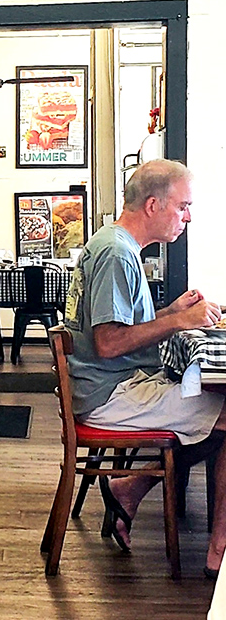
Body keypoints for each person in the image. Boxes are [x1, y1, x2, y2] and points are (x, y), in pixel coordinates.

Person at [65, 158, 226, 576]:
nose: (187, 217)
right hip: (109, 393)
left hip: (105, 386)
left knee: (215, 412)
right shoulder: (118, 253)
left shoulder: (114, 244)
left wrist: (170, 311)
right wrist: (177, 322)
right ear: (153, 205)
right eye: (183, 206)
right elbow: (108, 342)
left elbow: (119, 325)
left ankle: (130, 488)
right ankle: (219, 549)